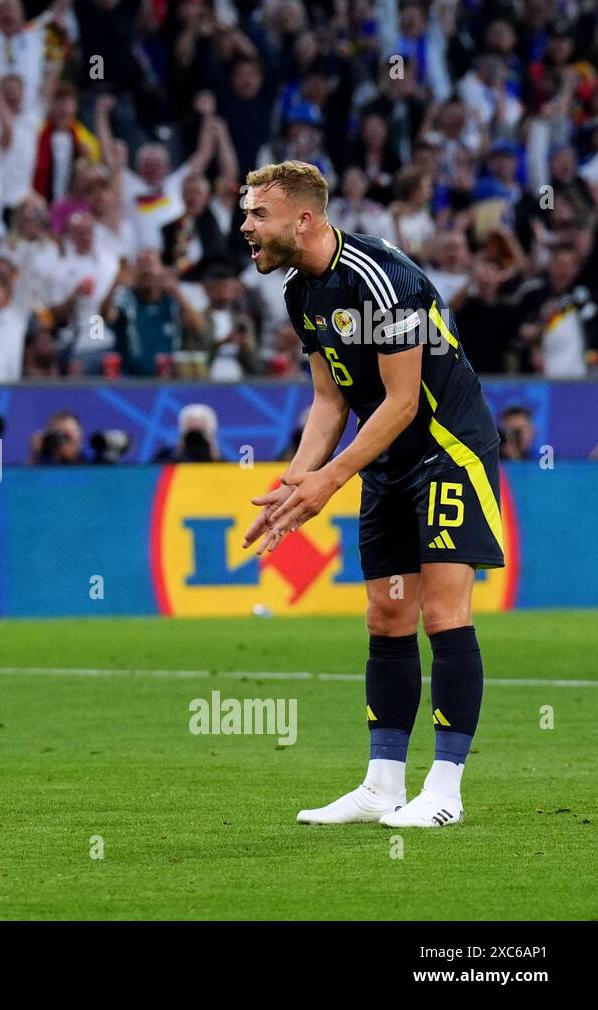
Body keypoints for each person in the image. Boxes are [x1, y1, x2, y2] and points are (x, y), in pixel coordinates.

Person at [240, 161, 504, 829]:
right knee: (386, 618)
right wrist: (297, 484)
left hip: (447, 449)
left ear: (304, 218)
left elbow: (401, 401)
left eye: (256, 215)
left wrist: (331, 480)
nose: (246, 227)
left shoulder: (383, 280)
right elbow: (329, 402)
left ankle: (445, 790)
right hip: (386, 464)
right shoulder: (302, 294)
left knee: (443, 612)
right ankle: (382, 785)